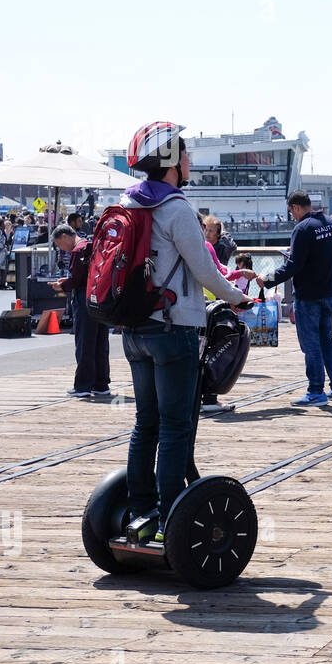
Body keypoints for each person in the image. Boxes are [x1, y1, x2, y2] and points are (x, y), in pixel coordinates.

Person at [118, 121, 252, 542]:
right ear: (172, 161)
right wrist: (237, 297)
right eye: (186, 154)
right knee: (176, 426)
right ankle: (170, 517)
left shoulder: (130, 203)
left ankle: (140, 511)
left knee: (146, 424)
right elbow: (204, 270)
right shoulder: (175, 208)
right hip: (172, 329)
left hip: (134, 328)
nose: (190, 162)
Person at [258, 190, 332, 406]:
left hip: (308, 296)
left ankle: (316, 391)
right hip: (328, 292)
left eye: (291, 212)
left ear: (296, 207)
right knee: (327, 340)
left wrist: (266, 279)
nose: (293, 216)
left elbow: (293, 266)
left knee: (311, 344)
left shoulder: (302, 229)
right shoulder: (331, 224)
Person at [49, 224, 111, 398]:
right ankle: (101, 383)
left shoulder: (77, 251)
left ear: (65, 237)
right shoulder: (91, 245)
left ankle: (83, 385)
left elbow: (76, 280)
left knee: (84, 343)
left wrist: (61, 285)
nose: (63, 249)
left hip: (83, 300)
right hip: (99, 298)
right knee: (100, 342)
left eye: (60, 244)